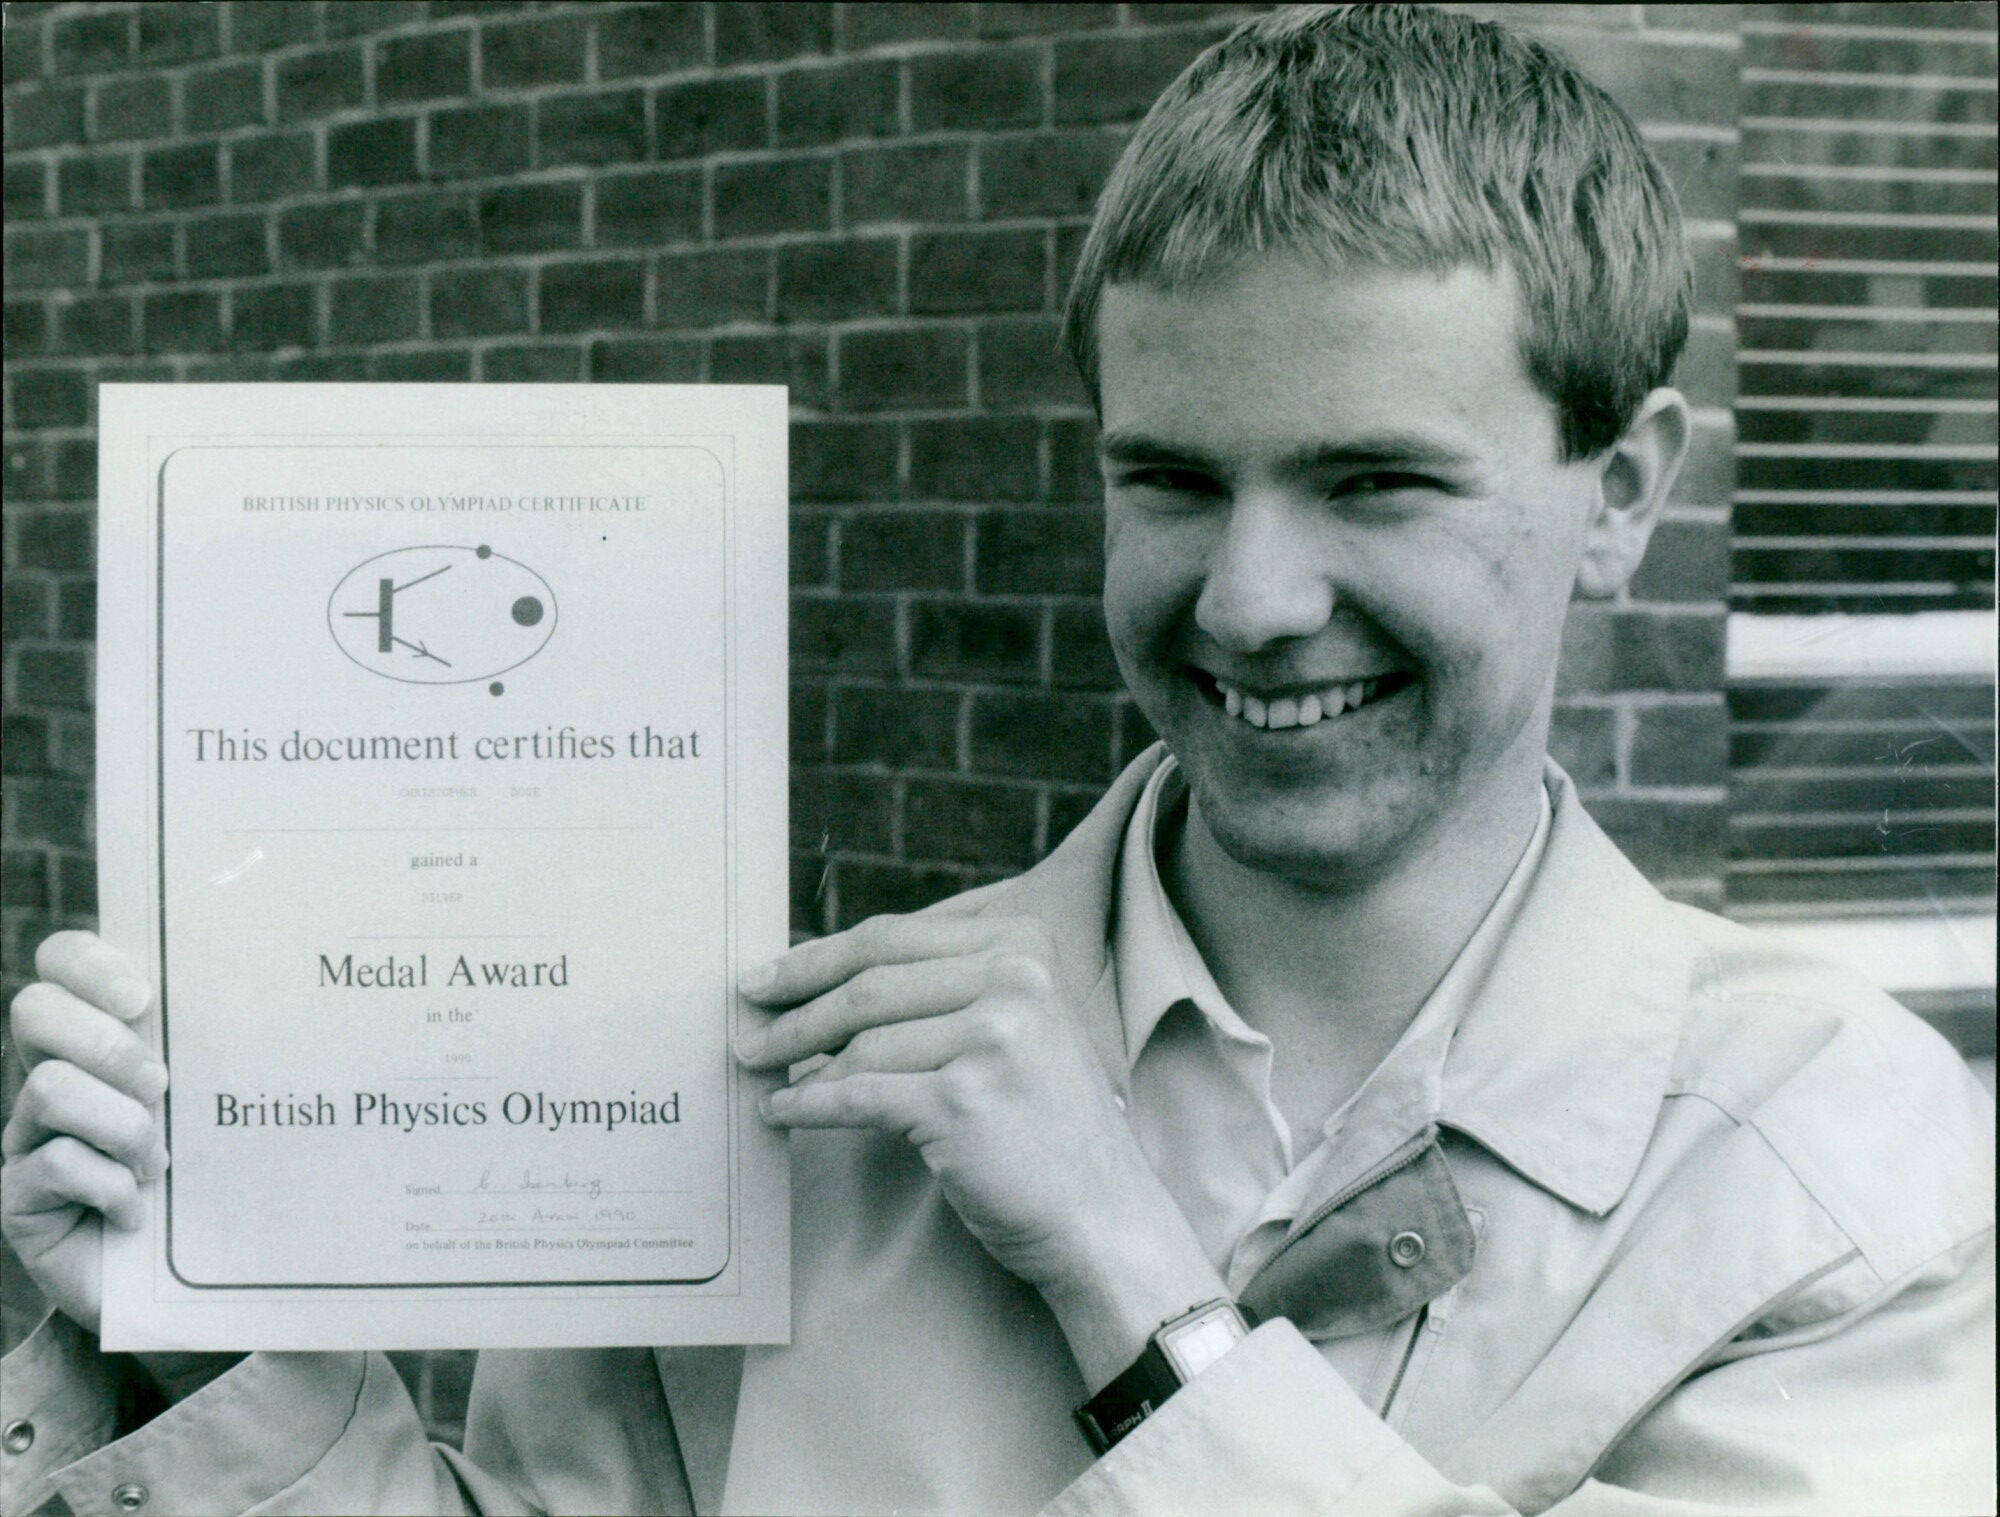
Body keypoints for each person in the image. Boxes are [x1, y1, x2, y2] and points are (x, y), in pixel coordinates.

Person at [3, 7, 1992, 1514]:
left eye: (1372, 483)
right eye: (1170, 482)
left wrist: (1137, 1297)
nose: (1247, 600)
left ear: (1626, 489)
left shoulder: (1841, 1175)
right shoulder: (775, 1110)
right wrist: (198, 1348)